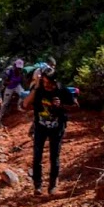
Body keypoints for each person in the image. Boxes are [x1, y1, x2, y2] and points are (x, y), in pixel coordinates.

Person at [24, 63, 77, 195]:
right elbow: (25, 104)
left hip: (56, 128)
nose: (46, 85)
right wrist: (36, 88)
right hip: (40, 126)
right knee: (37, 156)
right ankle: (38, 185)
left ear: (54, 81)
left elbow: (75, 106)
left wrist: (61, 105)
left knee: (54, 156)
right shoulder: (39, 89)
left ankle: (53, 185)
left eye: (48, 82)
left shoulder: (61, 90)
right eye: (44, 82)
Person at [0, 57, 28, 124]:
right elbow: (4, 82)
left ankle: (19, 106)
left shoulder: (22, 72)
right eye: (18, 68)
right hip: (9, 87)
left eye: (20, 68)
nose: (19, 69)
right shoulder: (9, 71)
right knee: (5, 103)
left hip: (17, 85)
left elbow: (23, 82)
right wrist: (9, 82)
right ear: (14, 66)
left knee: (23, 94)